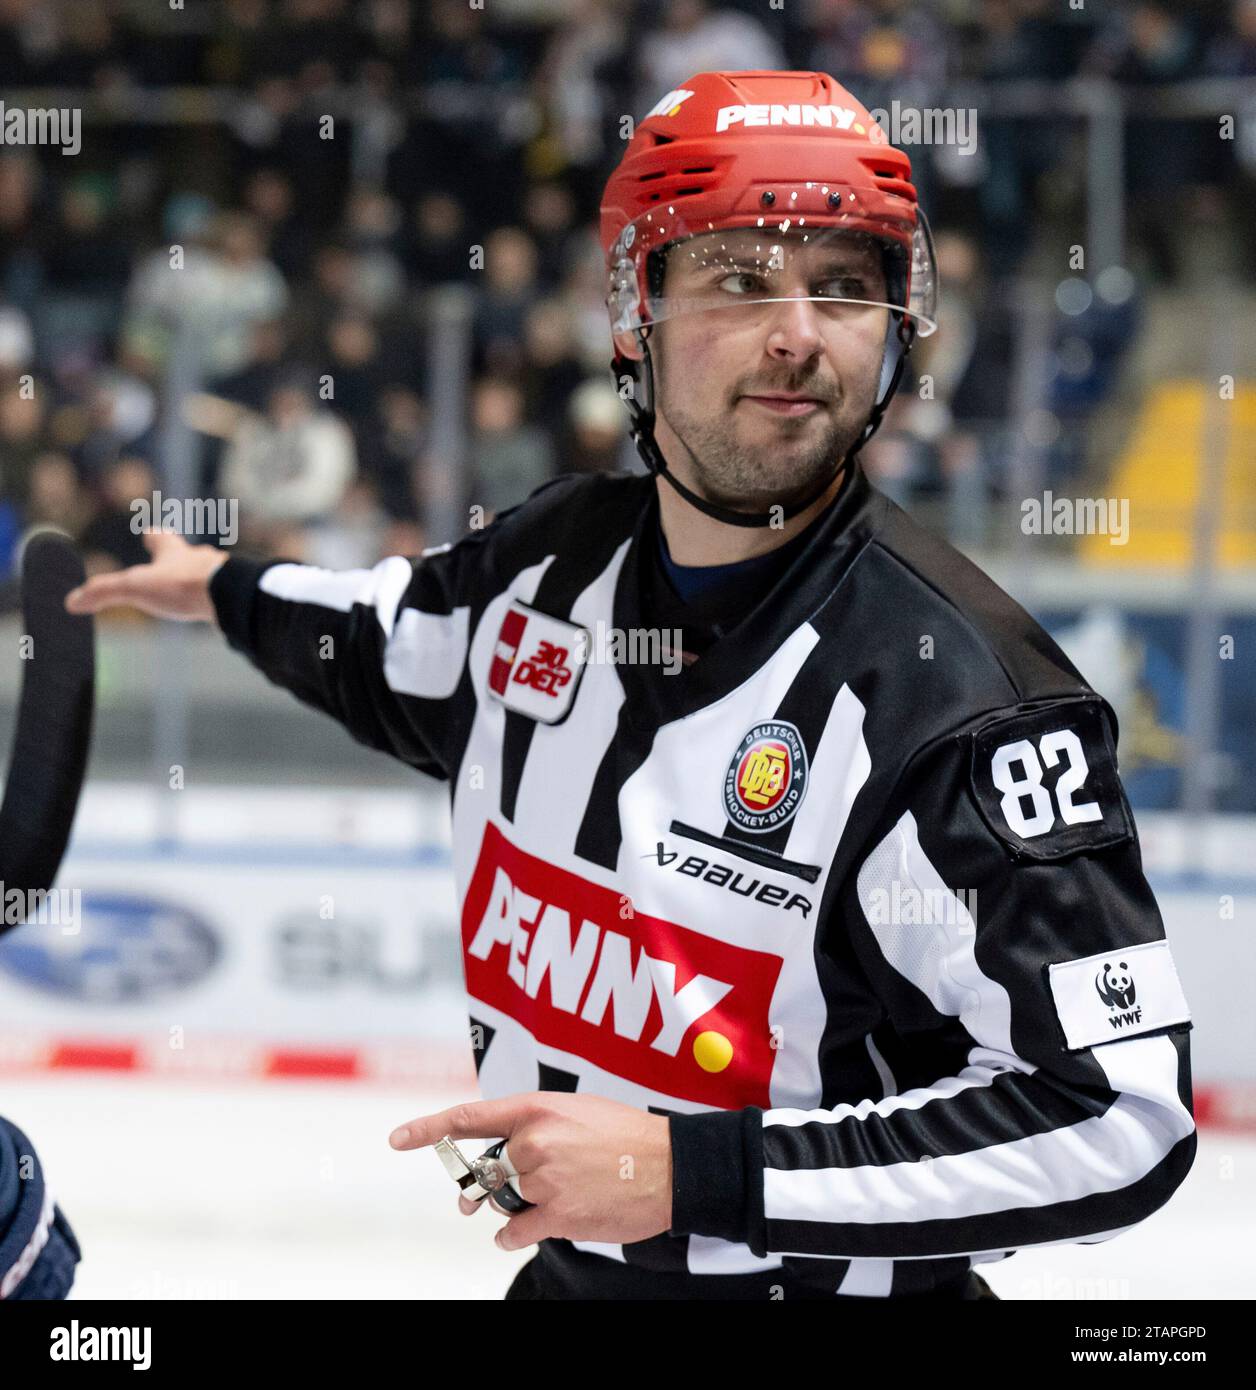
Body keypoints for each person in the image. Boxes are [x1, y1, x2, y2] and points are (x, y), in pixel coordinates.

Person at [65, 70, 1196, 1302]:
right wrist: (224, 590)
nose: (799, 333)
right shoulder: (548, 569)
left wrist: (686, 1172)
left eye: (845, 286)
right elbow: (393, 636)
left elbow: (1116, 1114)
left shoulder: (966, 708)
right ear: (631, 314)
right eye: (737, 280)